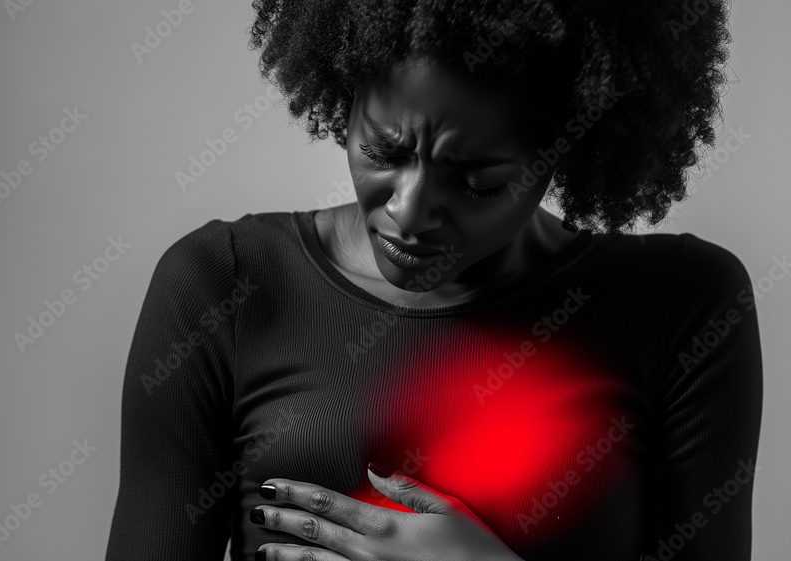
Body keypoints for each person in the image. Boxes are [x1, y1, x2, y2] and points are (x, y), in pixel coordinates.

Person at [106, 1, 763, 560]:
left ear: (568, 148)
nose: (410, 212)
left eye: (476, 178)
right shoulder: (224, 284)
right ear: (346, 94)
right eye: (385, 152)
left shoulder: (680, 304)